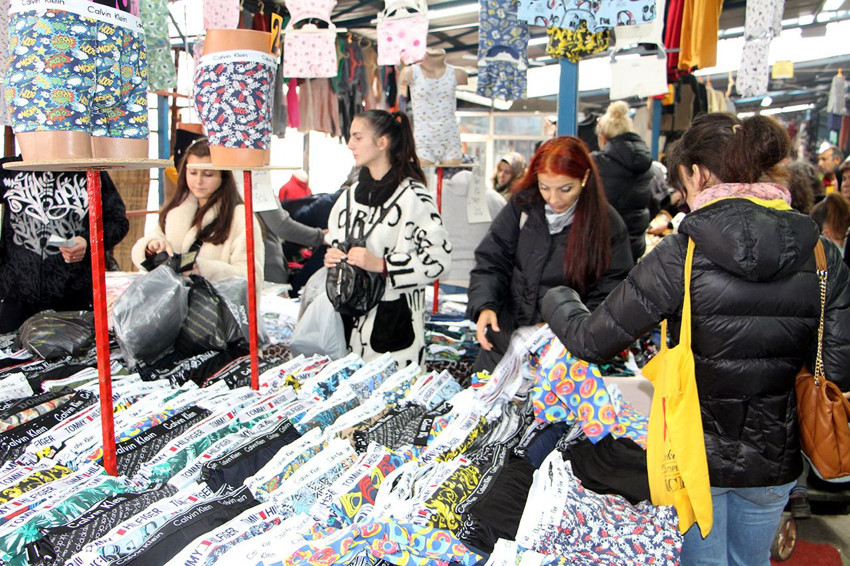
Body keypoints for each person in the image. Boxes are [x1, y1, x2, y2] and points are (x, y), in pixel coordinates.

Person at [542, 113, 850, 565]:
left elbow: (592, 341)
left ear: (697, 173)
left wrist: (558, 296)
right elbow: (837, 369)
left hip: (691, 455)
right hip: (775, 458)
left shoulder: (680, 253)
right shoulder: (824, 253)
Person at [467, 136, 634, 373]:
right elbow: (492, 261)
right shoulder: (521, 206)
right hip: (502, 343)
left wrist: (567, 328)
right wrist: (485, 305)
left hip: (562, 357)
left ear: (584, 178)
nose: (554, 199)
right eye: (545, 187)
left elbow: (612, 295)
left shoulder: (607, 225)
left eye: (565, 189)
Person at [324, 110, 452, 367]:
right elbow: (335, 241)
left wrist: (383, 265)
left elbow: (440, 260)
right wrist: (333, 257)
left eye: (357, 137)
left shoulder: (414, 197)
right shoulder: (349, 197)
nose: (350, 144)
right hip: (348, 324)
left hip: (395, 333)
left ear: (382, 143)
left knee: (393, 403)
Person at [0, 160, 129, 333]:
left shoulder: (89, 171)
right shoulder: (9, 170)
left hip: (73, 298)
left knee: (70, 358)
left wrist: (88, 241)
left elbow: (118, 221)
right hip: (14, 297)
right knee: (12, 357)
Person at [131, 138, 264, 286]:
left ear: (223, 175)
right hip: (174, 305)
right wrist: (151, 247)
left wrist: (204, 269)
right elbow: (148, 245)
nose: (198, 181)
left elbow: (252, 277)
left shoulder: (240, 217)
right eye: (193, 173)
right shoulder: (174, 211)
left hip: (214, 307)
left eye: (208, 174)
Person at [593, 100, 654, 262]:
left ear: (603, 138)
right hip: (635, 244)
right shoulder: (647, 164)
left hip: (605, 245)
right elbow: (654, 201)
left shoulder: (596, 163)